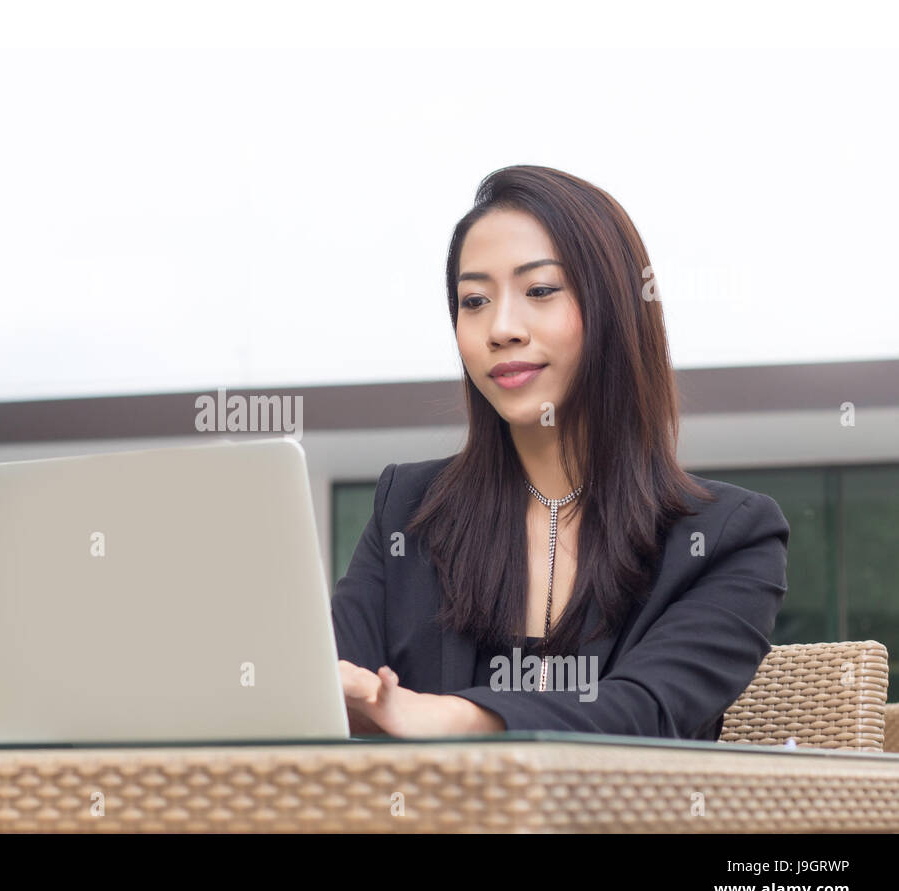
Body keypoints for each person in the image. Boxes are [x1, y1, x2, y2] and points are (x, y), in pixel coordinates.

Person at [333, 165, 790, 740]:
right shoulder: (406, 507)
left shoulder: (729, 537)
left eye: (540, 291)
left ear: (615, 308)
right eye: (474, 300)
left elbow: (643, 714)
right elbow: (331, 687)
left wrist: (443, 715)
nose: (501, 328)